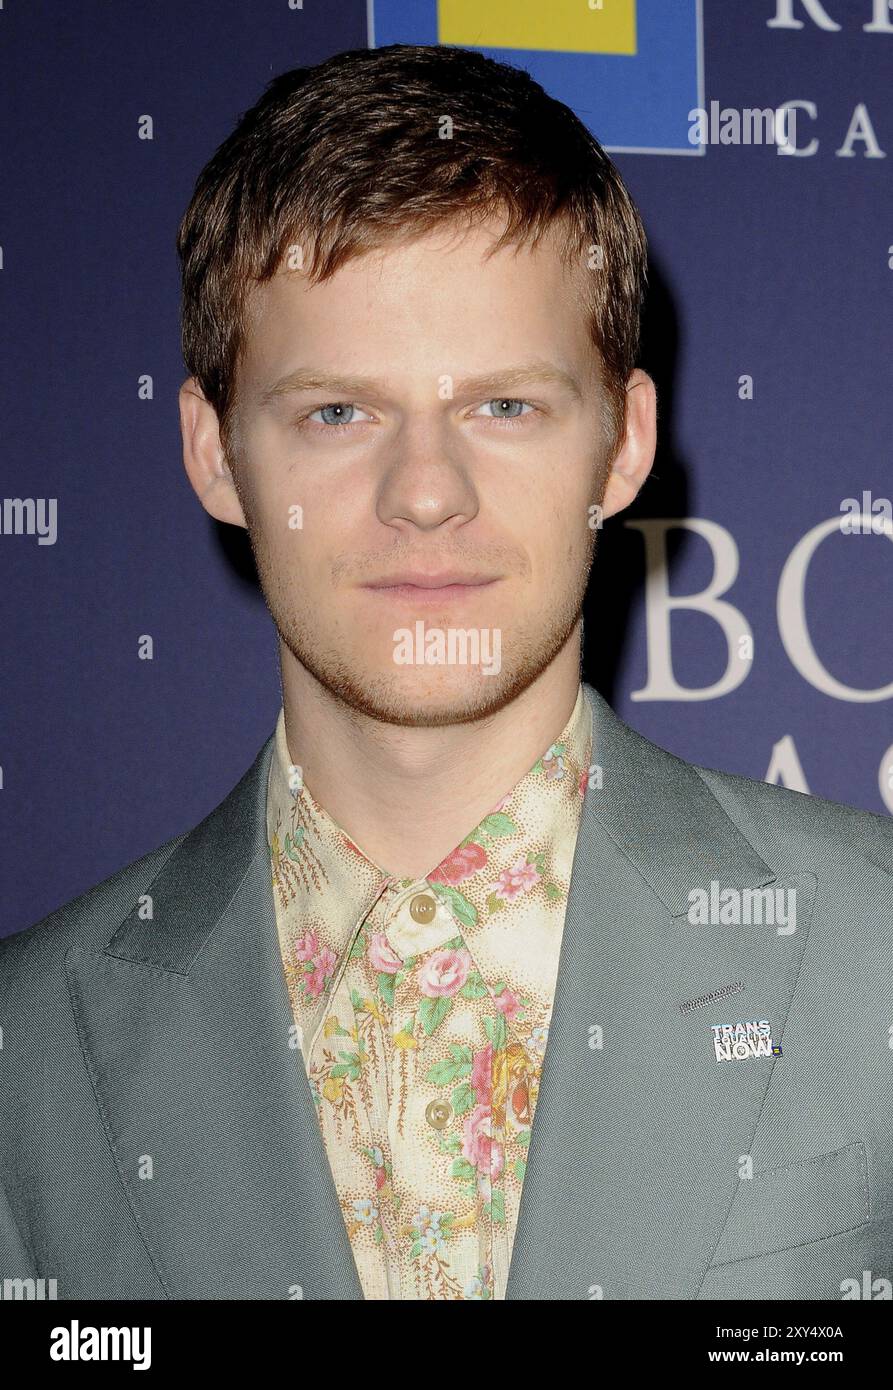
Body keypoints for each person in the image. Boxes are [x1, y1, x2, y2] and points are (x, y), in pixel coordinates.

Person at [1, 43, 890, 1303]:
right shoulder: (23, 1055)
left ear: (623, 441)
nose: (425, 492)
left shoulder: (875, 948)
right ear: (212, 453)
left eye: (503, 407)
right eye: (336, 413)